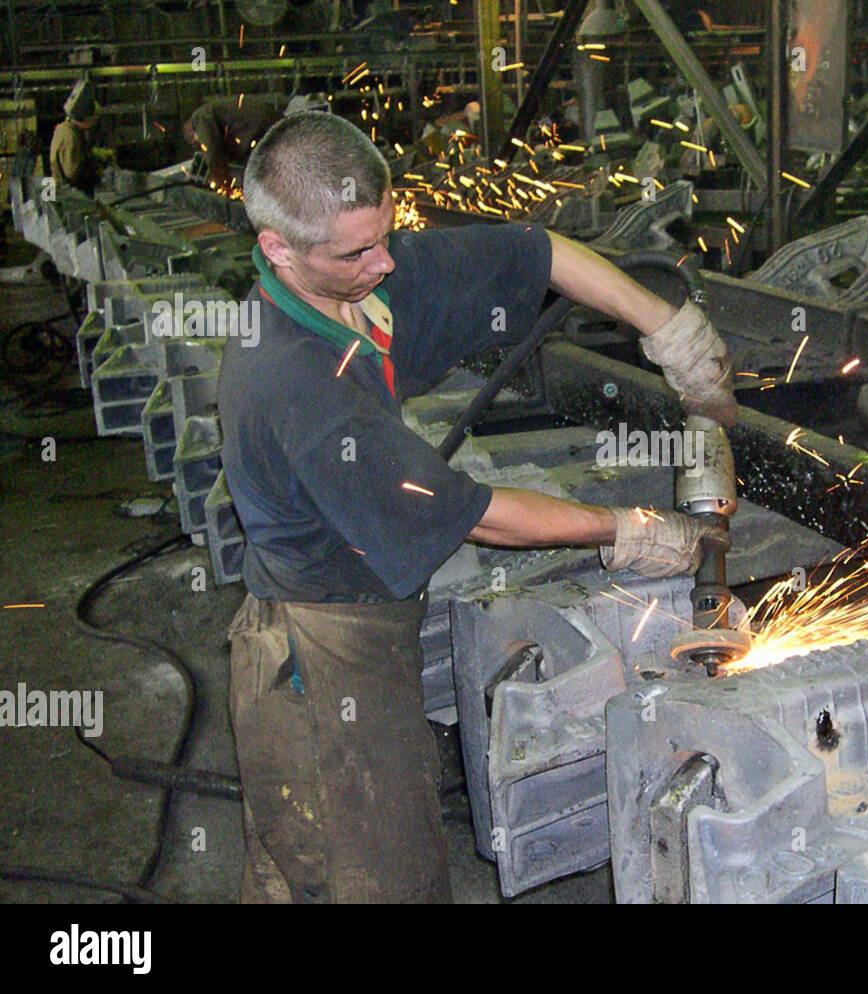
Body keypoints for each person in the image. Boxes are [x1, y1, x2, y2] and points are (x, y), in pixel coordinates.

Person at [217, 111, 735, 903]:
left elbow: (540, 252)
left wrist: (669, 329)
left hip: (367, 620)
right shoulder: (293, 382)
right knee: (371, 875)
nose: (385, 262)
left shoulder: (368, 279)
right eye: (356, 252)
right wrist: (627, 531)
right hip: (319, 649)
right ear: (277, 248)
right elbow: (478, 514)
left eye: (385, 234)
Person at [182, 94, 286, 189]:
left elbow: (213, 153)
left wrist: (222, 185)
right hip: (269, 121)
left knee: (256, 174)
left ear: (192, 133)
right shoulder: (209, 113)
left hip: (260, 126)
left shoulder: (199, 119)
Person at [49, 80, 99, 195]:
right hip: (71, 197)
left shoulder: (63, 128)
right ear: (84, 118)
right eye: (92, 119)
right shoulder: (70, 136)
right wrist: (94, 172)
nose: (93, 123)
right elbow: (72, 173)